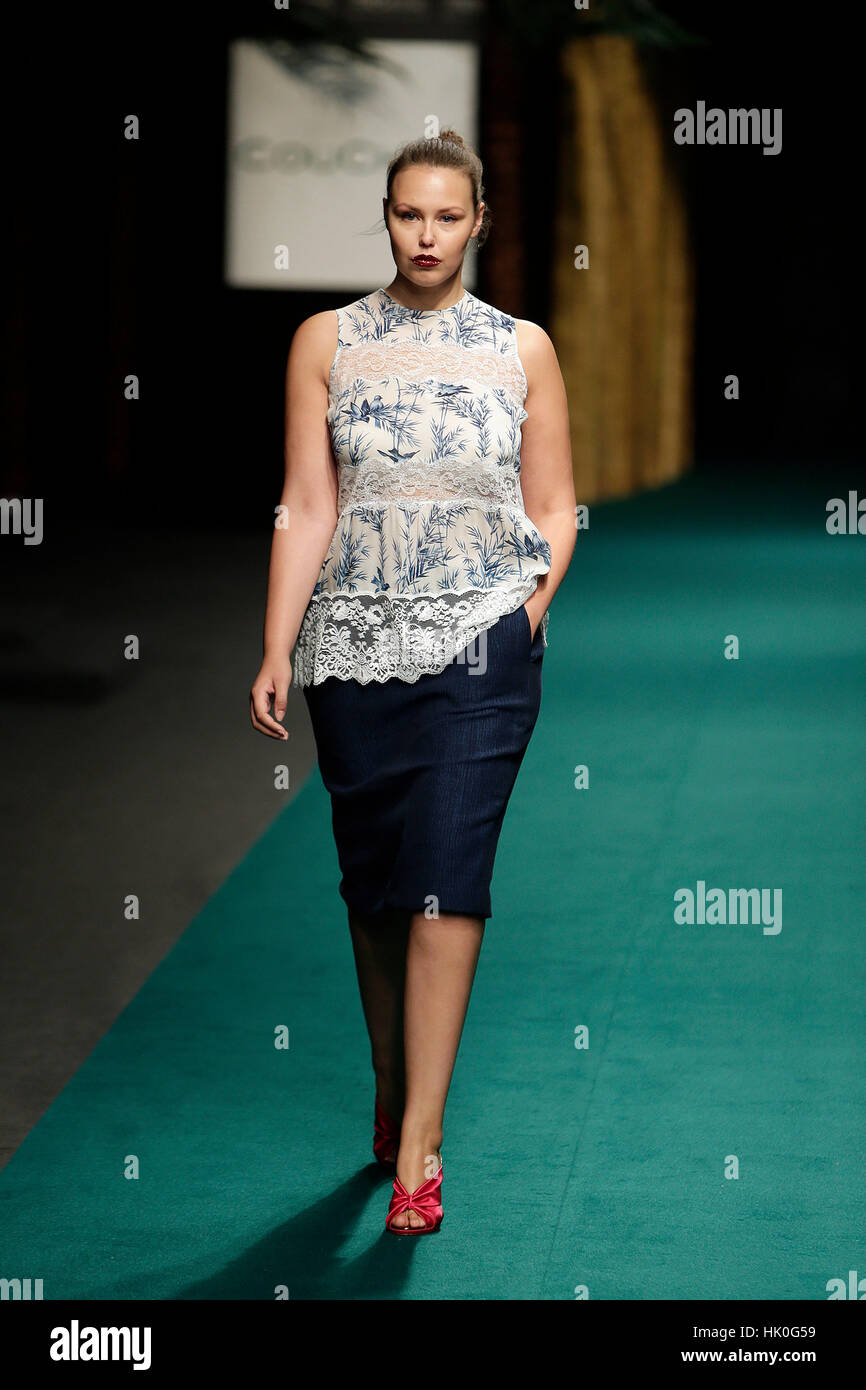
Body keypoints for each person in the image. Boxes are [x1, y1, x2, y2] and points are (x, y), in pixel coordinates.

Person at [250, 130, 576, 1234]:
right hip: (349, 652)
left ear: (477, 220)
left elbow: (554, 506)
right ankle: (391, 1089)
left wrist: (521, 614)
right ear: (385, 218)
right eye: (406, 215)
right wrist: (275, 644)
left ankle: (421, 1143)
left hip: (482, 649)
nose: (425, 235)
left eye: (446, 216)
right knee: (378, 896)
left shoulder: (520, 348)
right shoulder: (325, 341)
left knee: (447, 880)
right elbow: (307, 501)